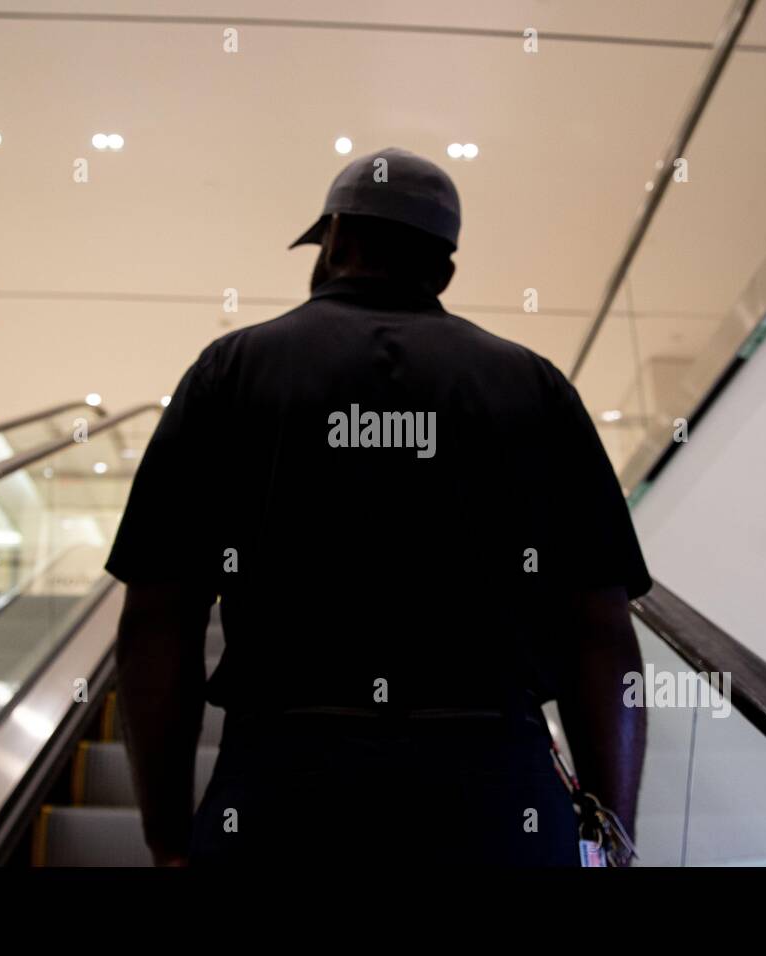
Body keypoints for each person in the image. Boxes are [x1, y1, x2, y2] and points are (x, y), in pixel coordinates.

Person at [108, 147, 651, 866]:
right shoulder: (534, 386)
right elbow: (599, 630)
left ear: (334, 238)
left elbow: (158, 620)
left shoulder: (228, 372)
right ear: (446, 271)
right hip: (495, 790)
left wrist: (168, 835)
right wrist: (612, 831)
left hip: (281, 790)